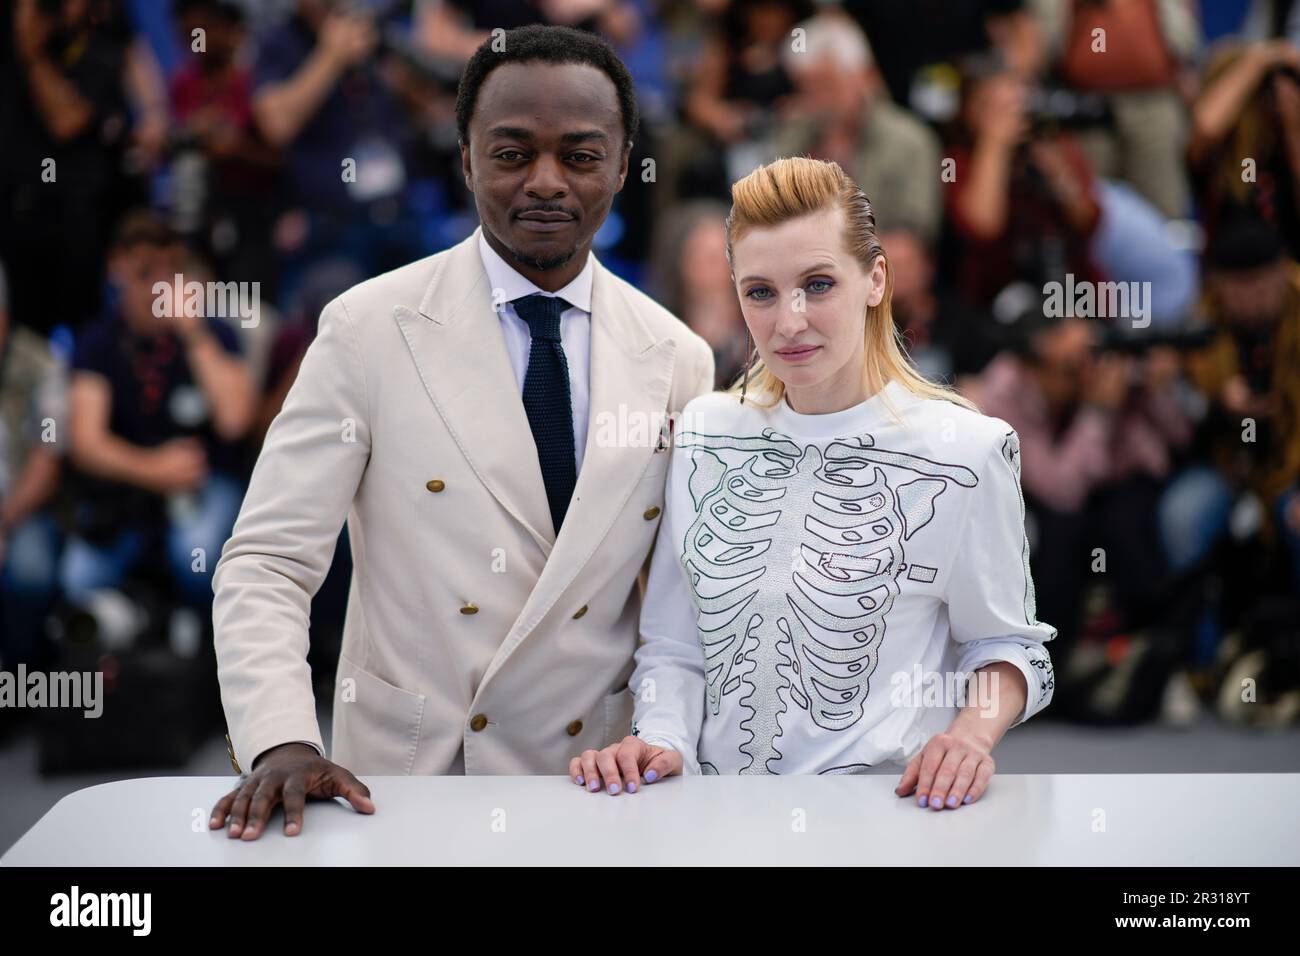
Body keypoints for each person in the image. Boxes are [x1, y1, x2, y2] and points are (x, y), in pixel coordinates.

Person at [209, 24, 715, 840]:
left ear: (623, 164)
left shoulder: (679, 359)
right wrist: (281, 740)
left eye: (581, 156)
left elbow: (676, 608)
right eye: (512, 153)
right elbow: (268, 561)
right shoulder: (368, 328)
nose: (546, 182)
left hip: (600, 789)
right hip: (409, 788)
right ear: (466, 156)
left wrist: (662, 734)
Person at [570, 157, 1055, 811]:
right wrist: (659, 738)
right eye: (760, 292)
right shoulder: (703, 433)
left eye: (818, 284)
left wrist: (969, 734)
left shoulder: (966, 449)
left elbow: (1009, 647)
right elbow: (674, 645)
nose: (789, 322)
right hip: (712, 827)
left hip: (889, 824)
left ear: (875, 278)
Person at [61, 211, 252, 609]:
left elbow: (235, 421)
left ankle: (205, 657)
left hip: (204, 484)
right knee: (78, 575)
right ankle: (125, 650)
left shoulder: (213, 333)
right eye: (145, 272)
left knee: (196, 555)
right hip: (126, 491)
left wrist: (192, 332)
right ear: (118, 269)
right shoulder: (98, 341)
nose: (160, 286)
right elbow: (85, 443)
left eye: (172, 271)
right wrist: (153, 470)